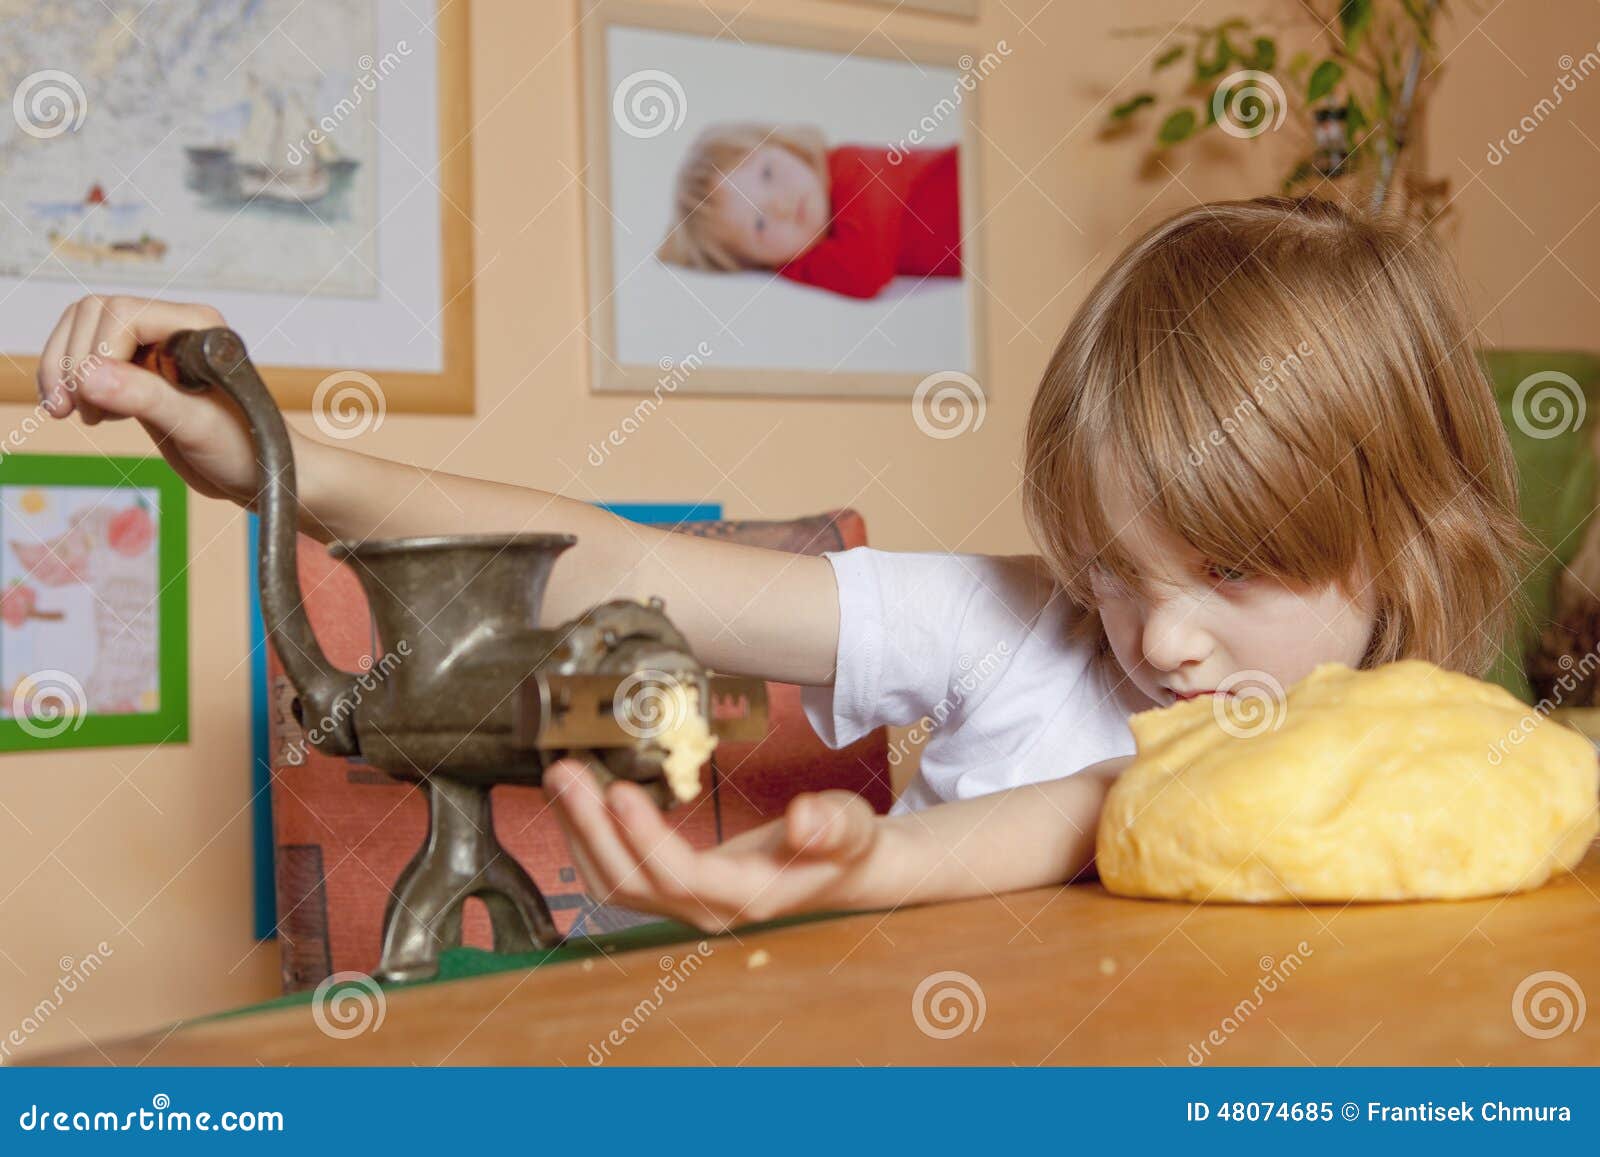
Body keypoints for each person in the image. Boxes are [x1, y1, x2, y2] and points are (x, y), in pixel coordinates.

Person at [36, 196, 1533, 935]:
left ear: (1415, 539)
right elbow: (602, 567)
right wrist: (284, 462)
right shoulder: (1010, 626)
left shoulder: (1461, 769)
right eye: (1112, 566)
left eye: (1238, 571)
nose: (1163, 641)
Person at [655, 122, 961, 299]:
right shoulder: (832, 232)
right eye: (760, 224)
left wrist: (788, 268)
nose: (781, 205)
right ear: (755, 261)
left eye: (768, 174)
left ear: (786, 147)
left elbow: (866, 273)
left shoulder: (852, 168)